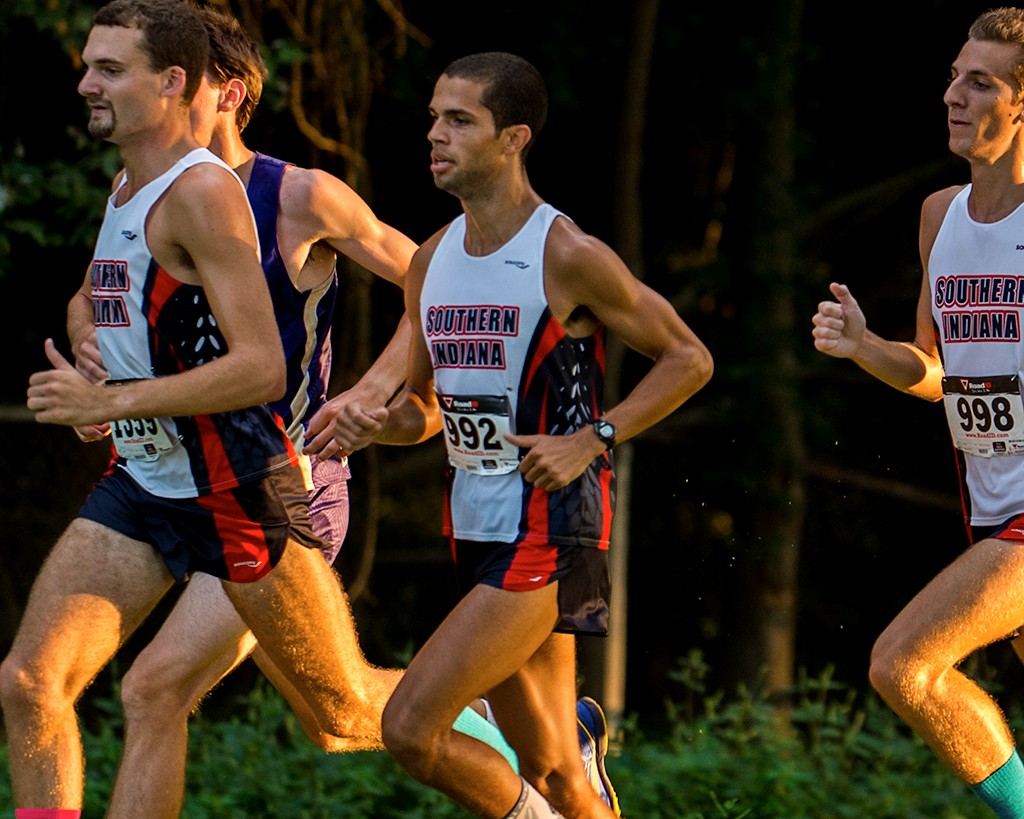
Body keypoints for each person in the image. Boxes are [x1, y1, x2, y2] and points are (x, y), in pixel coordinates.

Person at [0, 3, 479, 816]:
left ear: (220, 91)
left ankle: (519, 730)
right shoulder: (133, 183)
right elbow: (93, 299)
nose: (89, 86)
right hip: (151, 476)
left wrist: (384, 389)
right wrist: (94, 358)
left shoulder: (291, 195)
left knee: (340, 714)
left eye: (113, 70)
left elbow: (439, 281)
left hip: (268, 477)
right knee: (34, 679)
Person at [329, 51, 713, 818]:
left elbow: (688, 359)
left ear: (514, 138)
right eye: (434, 117)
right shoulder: (431, 261)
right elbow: (427, 410)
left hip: (558, 530)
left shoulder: (564, 254)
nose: (434, 134)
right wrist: (377, 424)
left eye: (459, 120)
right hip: (477, 527)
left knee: (409, 727)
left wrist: (594, 435)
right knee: (554, 768)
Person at [811, 8, 1024, 818]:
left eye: (980, 81)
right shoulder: (942, 214)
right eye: (952, 76)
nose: (952, 95)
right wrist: (867, 345)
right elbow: (935, 369)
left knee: (904, 664)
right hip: (991, 503)